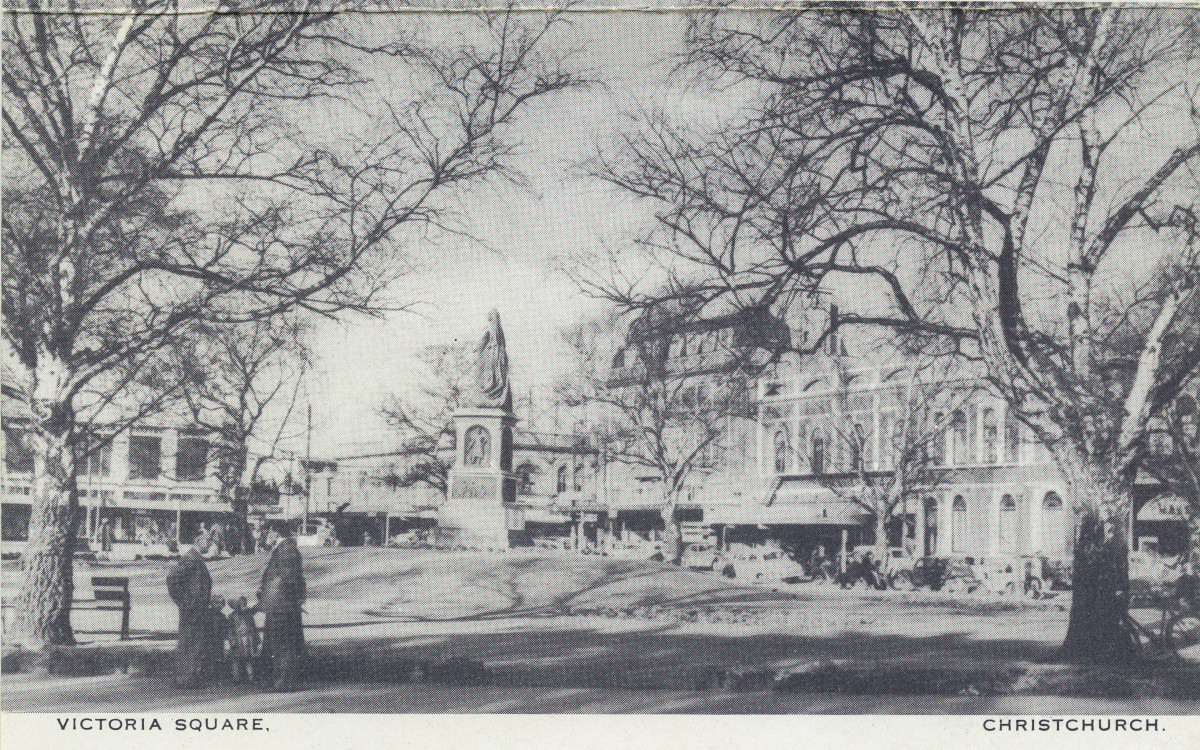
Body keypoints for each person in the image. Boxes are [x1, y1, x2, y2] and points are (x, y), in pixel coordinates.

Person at [257, 526, 306, 692]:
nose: (266, 535)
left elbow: (290, 578)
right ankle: (279, 680)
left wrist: (280, 597)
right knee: (278, 643)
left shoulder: (286, 549)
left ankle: (283, 682)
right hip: (280, 603)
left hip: (281, 604)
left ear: (275, 532)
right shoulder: (284, 549)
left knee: (282, 644)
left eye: (268, 532)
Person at [166, 536, 213, 688]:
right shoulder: (191, 559)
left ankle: (189, 677)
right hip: (192, 609)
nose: (211, 544)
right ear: (198, 542)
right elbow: (172, 579)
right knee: (189, 642)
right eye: (208, 541)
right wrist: (185, 602)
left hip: (196, 608)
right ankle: (185, 678)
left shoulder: (195, 558)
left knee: (193, 642)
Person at [227, 596, 259, 683]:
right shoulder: (232, 616)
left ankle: (251, 677)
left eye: (243, 604)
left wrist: (256, 639)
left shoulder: (248, 614)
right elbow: (230, 630)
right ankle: (236, 678)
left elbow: (253, 627)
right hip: (237, 640)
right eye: (239, 604)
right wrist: (232, 641)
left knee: (248, 659)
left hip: (248, 639)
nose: (242, 606)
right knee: (236, 660)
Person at [205, 595, 228, 682]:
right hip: (209, 640)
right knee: (209, 658)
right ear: (211, 603)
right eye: (216, 603)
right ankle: (209, 677)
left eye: (220, 603)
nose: (219, 605)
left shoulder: (222, 616)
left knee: (218, 657)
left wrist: (223, 634)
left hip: (218, 640)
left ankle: (217, 677)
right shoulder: (207, 614)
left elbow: (225, 628)